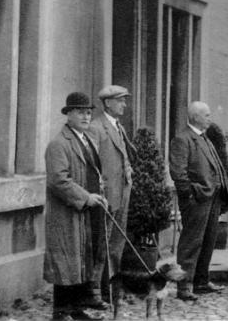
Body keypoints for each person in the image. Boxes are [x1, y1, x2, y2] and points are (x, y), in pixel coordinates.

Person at [44, 92, 108, 321]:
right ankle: (60, 312)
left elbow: (93, 171)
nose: (86, 116)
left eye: (89, 112)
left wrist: (99, 194)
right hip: (67, 213)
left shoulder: (86, 140)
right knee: (67, 261)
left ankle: (76, 308)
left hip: (87, 211)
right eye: (80, 112)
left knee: (82, 260)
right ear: (68, 114)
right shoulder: (59, 144)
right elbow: (58, 180)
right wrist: (85, 197)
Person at [169, 101, 228, 301]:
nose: (210, 119)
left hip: (212, 198)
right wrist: (190, 194)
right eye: (207, 115)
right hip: (197, 198)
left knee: (208, 240)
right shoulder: (183, 139)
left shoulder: (203, 138)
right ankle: (184, 286)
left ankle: (201, 281)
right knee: (191, 243)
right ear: (195, 117)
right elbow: (178, 171)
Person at [88, 85, 135, 304]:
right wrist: (100, 190)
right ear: (107, 103)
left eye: (125, 100)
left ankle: (111, 289)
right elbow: (91, 165)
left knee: (116, 244)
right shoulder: (96, 128)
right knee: (101, 245)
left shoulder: (118, 127)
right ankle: (95, 290)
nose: (124, 104)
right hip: (106, 195)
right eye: (120, 100)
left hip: (122, 193)